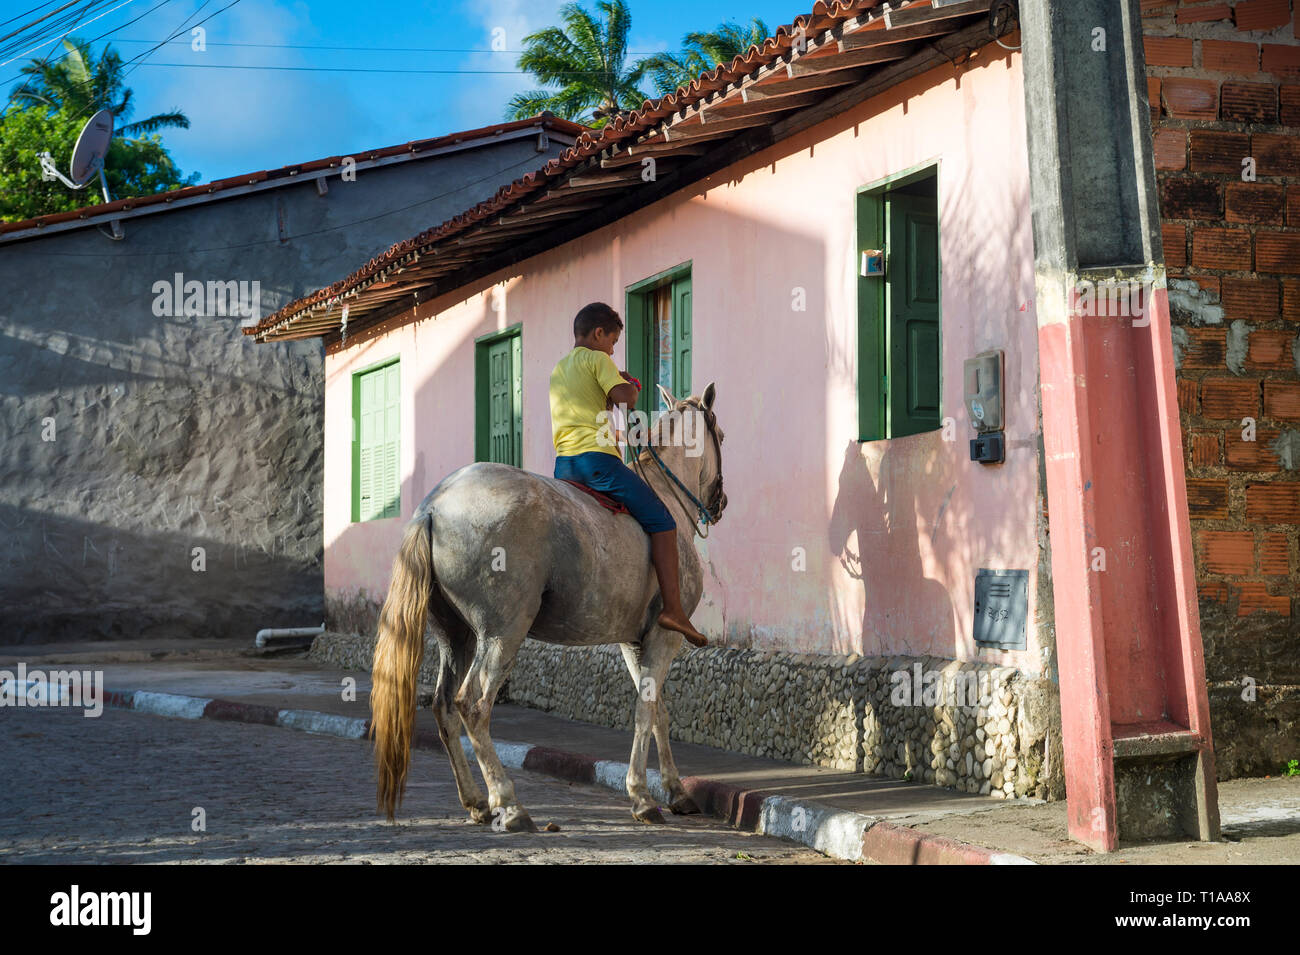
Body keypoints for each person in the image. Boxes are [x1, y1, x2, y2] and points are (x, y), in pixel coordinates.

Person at [549, 301, 709, 648]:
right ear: (598, 333)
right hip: (597, 463)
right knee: (663, 521)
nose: (612, 349)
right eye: (613, 342)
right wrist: (629, 382)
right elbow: (626, 399)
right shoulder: (598, 360)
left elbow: (587, 416)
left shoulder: (560, 369)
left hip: (565, 466)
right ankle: (673, 610)